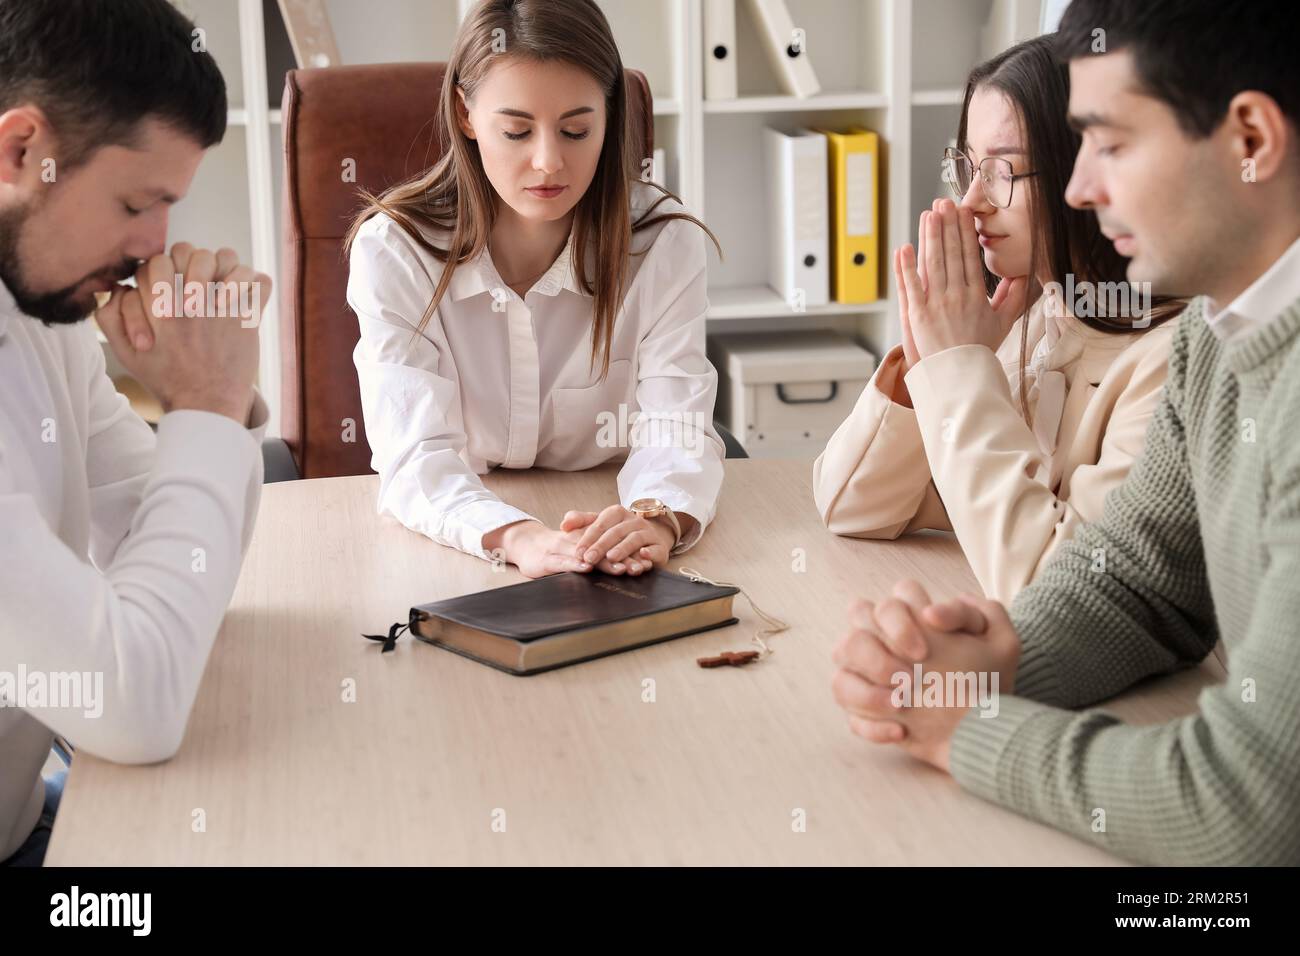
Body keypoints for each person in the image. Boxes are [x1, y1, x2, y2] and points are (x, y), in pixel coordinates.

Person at [831, 0, 1300, 865]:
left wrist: (969, 728)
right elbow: (1137, 582)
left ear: (1250, 142)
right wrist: (986, 660)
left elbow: (1250, 803)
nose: (1081, 187)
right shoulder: (1216, 330)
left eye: (1111, 144)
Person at [0, 0, 271, 865]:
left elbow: (186, 577)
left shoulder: (37, 309)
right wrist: (207, 405)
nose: (155, 245)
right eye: (135, 203)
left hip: (35, 807)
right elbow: (135, 704)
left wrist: (208, 401)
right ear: (20, 152)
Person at [347, 0, 725, 580]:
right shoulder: (395, 252)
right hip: (454, 545)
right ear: (466, 114)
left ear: (609, 116)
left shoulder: (662, 244)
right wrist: (517, 536)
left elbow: (675, 427)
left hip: (607, 531)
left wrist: (655, 518)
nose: (549, 162)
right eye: (516, 130)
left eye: (576, 130)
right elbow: (415, 454)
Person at [814, 35, 1181, 604]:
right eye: (967, 168)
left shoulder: (1169, 361)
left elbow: (1062, 599)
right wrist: (927, 362)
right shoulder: (1029, 318)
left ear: (1086, 170)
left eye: (1003, 171)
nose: (971, 203)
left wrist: (958, 370)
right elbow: (852, 505)